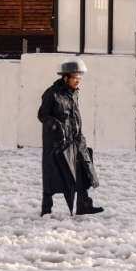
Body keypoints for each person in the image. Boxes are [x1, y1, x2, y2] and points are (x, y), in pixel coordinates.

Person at [37, 59, 103, 216]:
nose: (78, 80)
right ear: (65, 78)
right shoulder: (52, 94)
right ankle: (46, 209)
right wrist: (54, 124)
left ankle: (84, 205)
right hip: (58, 144)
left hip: (75, 140)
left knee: (82, 171)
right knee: (52, 176)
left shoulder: (73, 93)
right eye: (75, 77)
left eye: (79, 78)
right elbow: (42, 114)